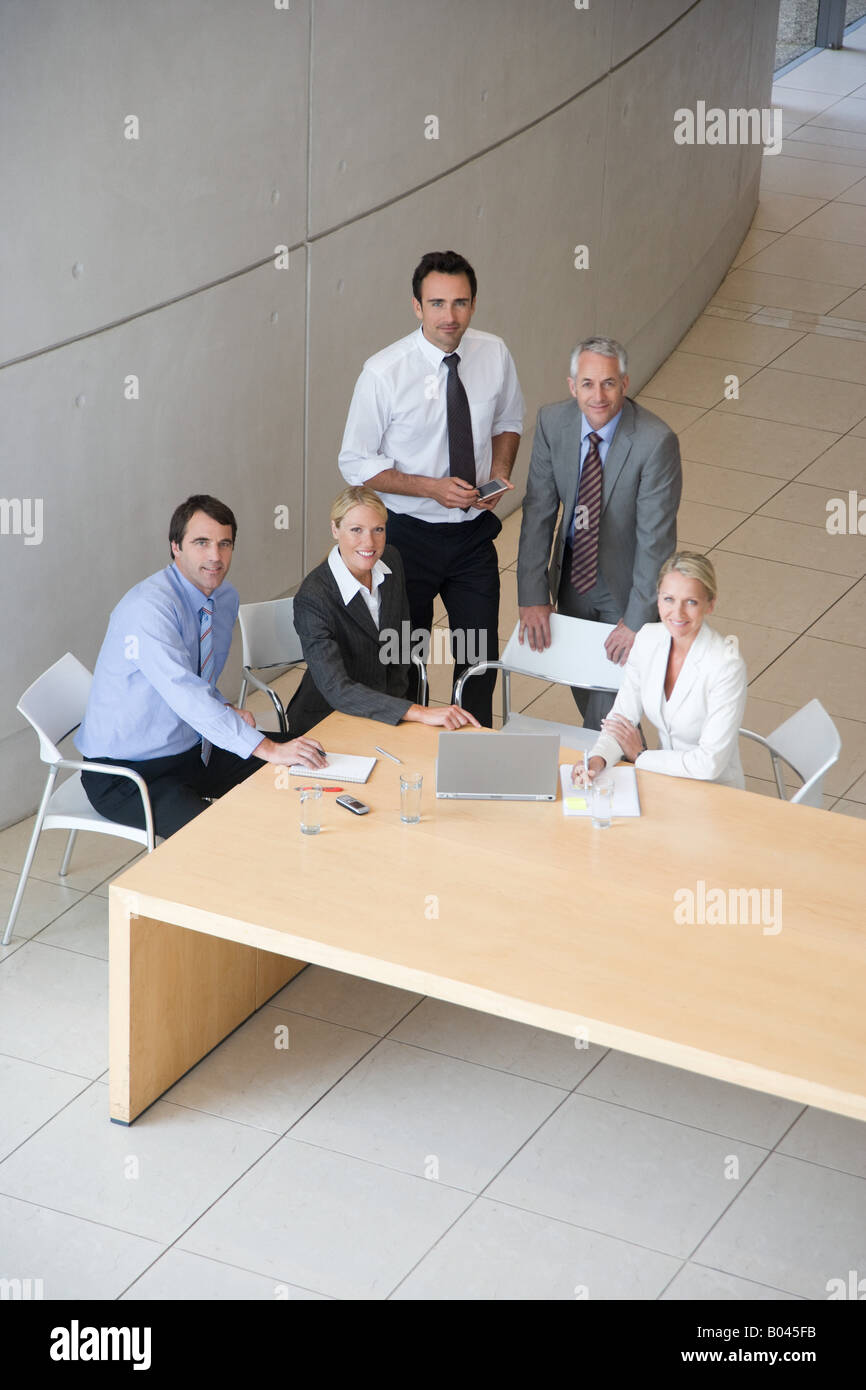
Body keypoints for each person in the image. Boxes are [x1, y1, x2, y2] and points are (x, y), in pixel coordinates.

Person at [338, 249, 525, 727]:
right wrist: (429, 488)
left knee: (478, 659)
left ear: (474, 304)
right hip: (406, 537)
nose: (450, 315)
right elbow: (355, 462)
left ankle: (476, 764)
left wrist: (499, 472)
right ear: (417, 307)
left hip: (472, 534)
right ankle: (414, 762)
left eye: (460, 303)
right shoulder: (384, 372)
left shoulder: (494, 353)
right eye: (437, 303)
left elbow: (507, 421)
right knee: (406, 659)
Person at [77, 495, 327, 838]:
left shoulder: (224, 598)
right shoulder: (148, 609)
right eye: (201, 543)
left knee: (311, 763)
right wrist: (267, 749)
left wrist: (224, 709)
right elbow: (184, 692)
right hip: (128, 774)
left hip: (194, 750)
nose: (215, 556)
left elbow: (199, 679)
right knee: (216, 838)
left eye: (225, 544)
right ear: (175, 547)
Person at [517, 336, 682, 730]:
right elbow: (538, 511)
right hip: (572, 579)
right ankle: (631, 765)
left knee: (606, 717)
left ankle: (601, 777)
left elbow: (655, 542)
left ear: (625, 384)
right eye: (588, 384)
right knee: (587, 688)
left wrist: (636, 619)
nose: (598, 395)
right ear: (572, 386)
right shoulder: (552, 423)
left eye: (609, 383)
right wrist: (533, 595)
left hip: (625, 588)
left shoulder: (655, 442)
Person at [287, 487, 480, 735]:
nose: (369, 543)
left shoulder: (390, 560)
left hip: (388, 710)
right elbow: (337, 689)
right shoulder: (313, 597)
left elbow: (399, 648)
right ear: (335, 530)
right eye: (356, 530)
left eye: (378, 529)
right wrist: (416, 712)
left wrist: (404, 713)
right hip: (328, 720)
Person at [575, 554, 747, 790]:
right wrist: (597, 760)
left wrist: (640, 756)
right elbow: (622, 718)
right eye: (669, 599)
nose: (677, 613)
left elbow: (709, 764)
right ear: (657, 599)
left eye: (691, 602)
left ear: (710, 604)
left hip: (715, 790)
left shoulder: (726, 665)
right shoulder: (647, 638)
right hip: (665, 780)